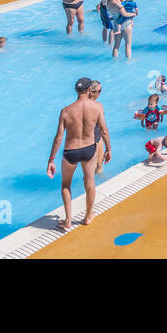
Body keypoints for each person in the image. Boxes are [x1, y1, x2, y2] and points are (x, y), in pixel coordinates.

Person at [46, 78, 110, 228]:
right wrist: (108, 149)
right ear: (89, 90)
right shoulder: (97, 108)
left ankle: (68, 220)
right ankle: (88, 216)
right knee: (89, 183)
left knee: (65, 185)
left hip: (70, 152)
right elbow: (104, 130)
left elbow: (58, 138)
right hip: (89, 150)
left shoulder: (66, 111)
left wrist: (51, 160)